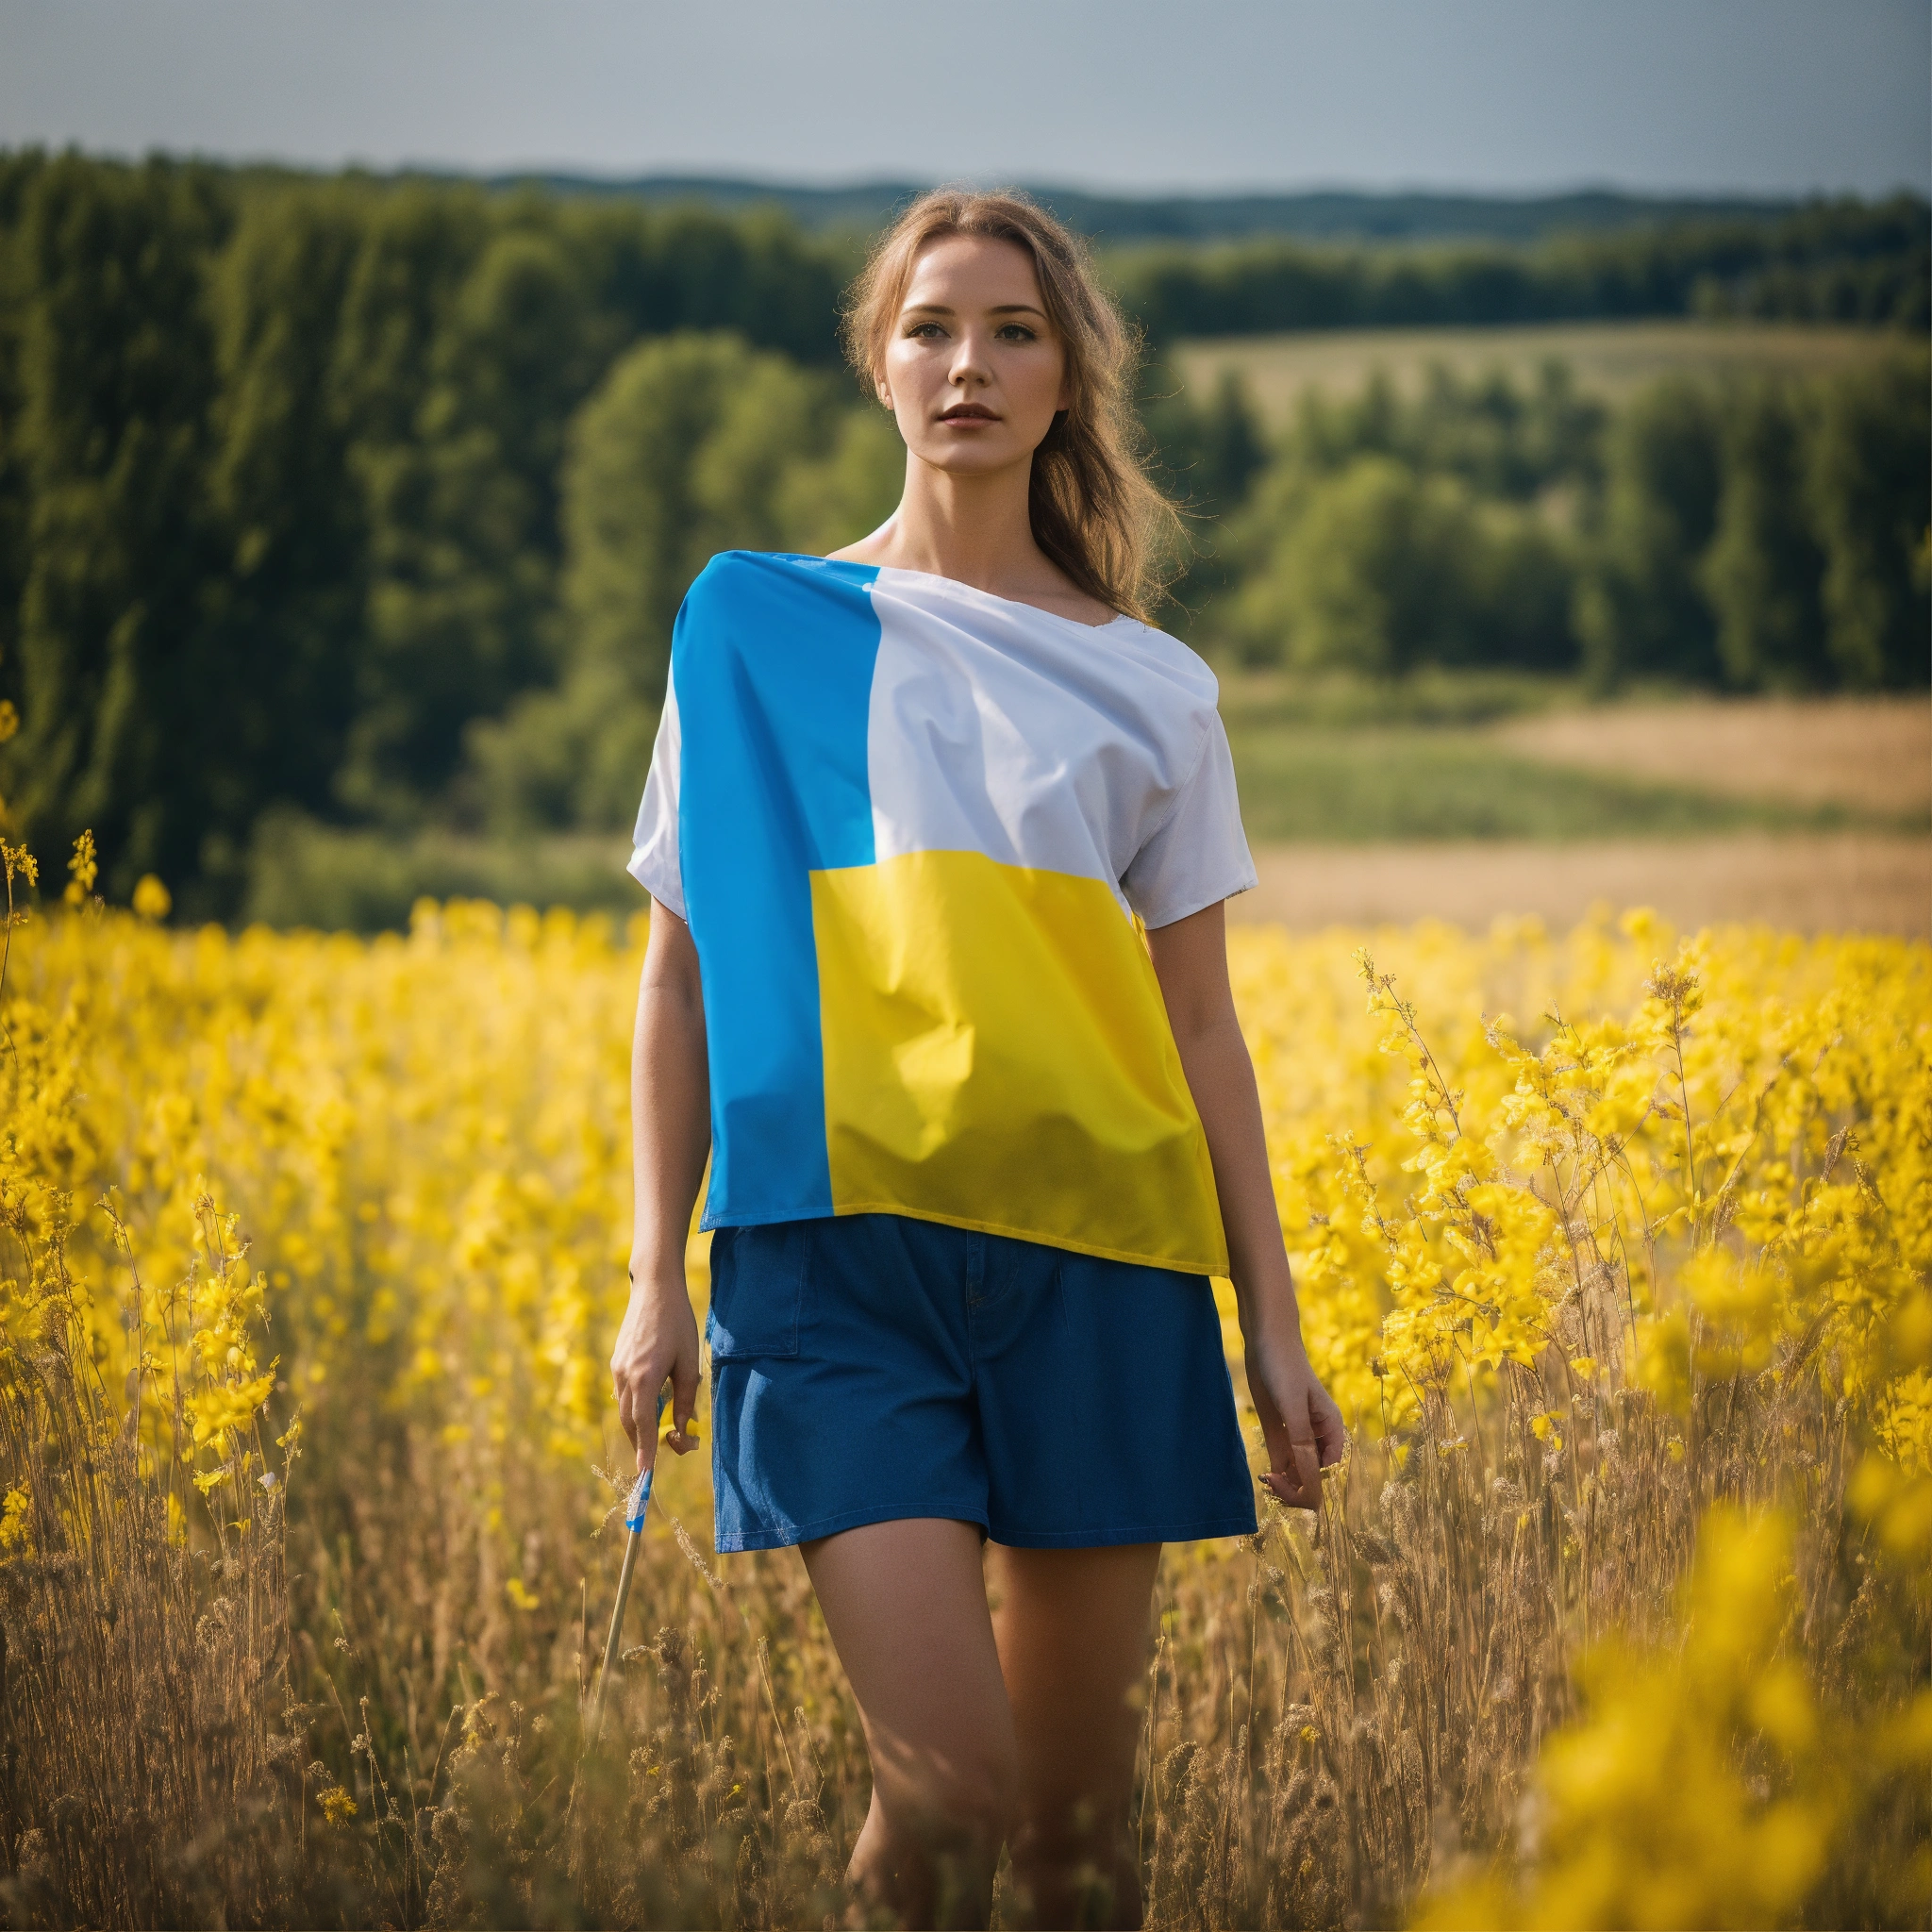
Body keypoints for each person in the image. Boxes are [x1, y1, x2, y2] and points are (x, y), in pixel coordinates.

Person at [610, 188, 1346, 1930]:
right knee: (951, 1803)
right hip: (835, 1269)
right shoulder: (751, 634)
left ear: (1070, 381)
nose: (971, 364)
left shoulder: (1157, 688)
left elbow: (1201, 1030)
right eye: (933, 326)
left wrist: (1277, 1324)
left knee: (1078, 1845)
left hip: (1102, 1266)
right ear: (879, 365)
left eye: (1015, 331)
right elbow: (680, 978)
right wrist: (651, 1275)